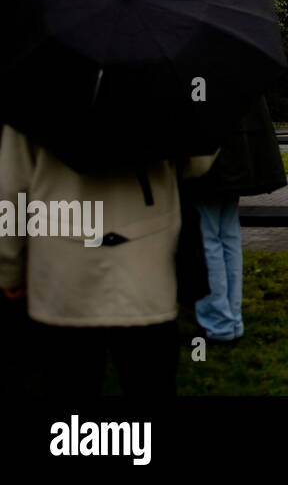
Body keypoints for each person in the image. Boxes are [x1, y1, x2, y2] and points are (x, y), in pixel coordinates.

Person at [0, 125, 215, 396]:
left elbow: (11, 189)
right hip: (146, 266)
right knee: (150, 381)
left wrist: (9, 268)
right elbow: (197, 164)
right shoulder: (161, 91)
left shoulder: (34, 94)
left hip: (63, 270)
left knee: (68, 384)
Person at [184, 96, 286, 343]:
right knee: (228, 235)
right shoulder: (237, 66)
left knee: (207, 238)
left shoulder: (202, 67)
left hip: (213, 159)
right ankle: (231, 318)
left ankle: (218, 322)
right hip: (238, 156)